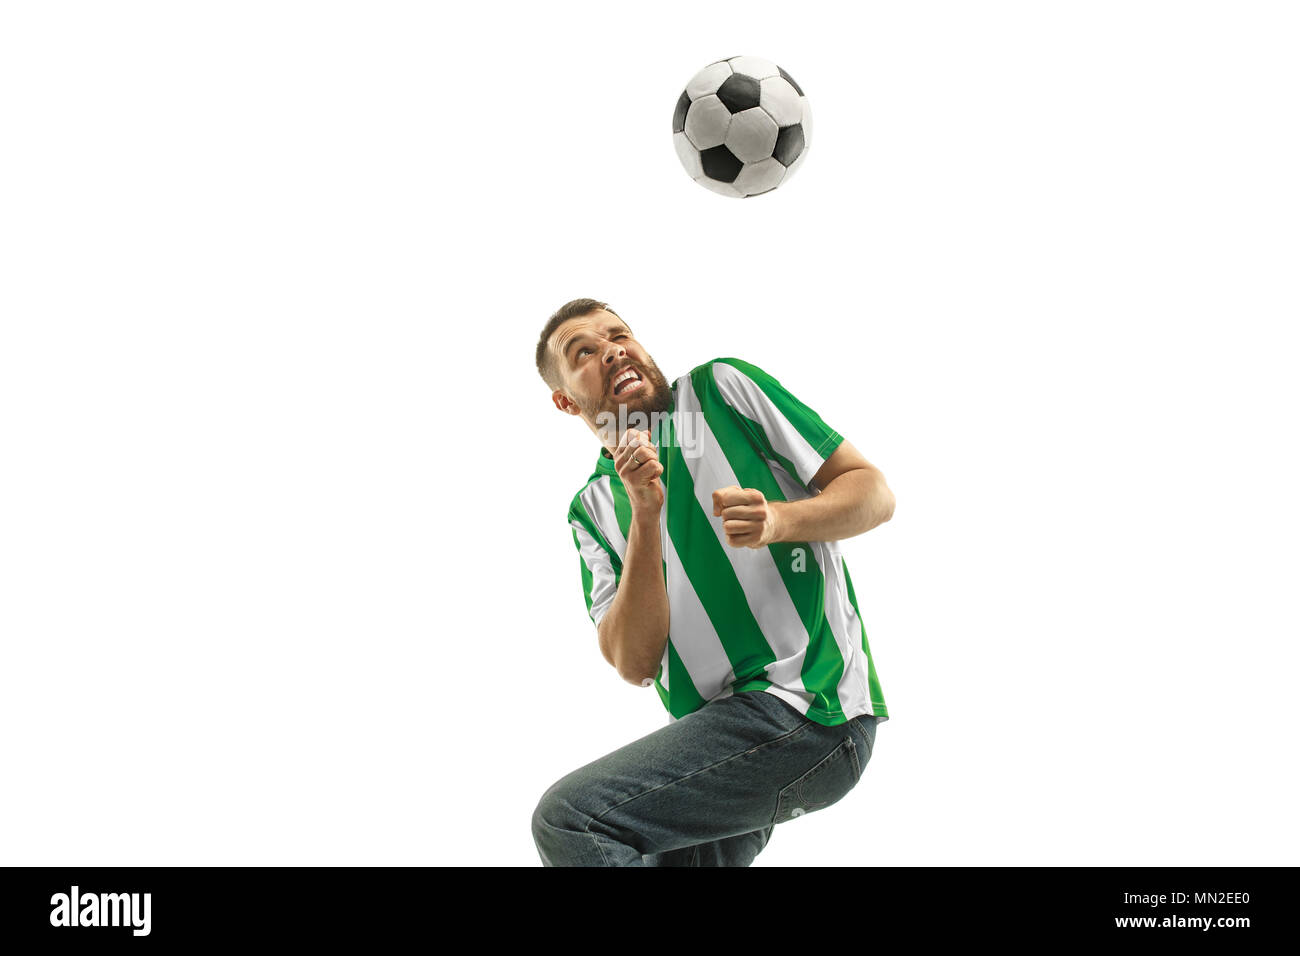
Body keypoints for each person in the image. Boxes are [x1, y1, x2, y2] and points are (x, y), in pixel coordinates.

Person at [530, 298, 894, 866]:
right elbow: (634, 661)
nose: (613, 350)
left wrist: (780, 519)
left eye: (618, 334)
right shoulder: (593, 509)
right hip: (717, 742)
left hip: (805, 710)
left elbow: (873, 493)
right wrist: (645, 517)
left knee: (574, 819)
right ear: (563, 398)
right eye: (586, 351)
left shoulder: (721, 390)